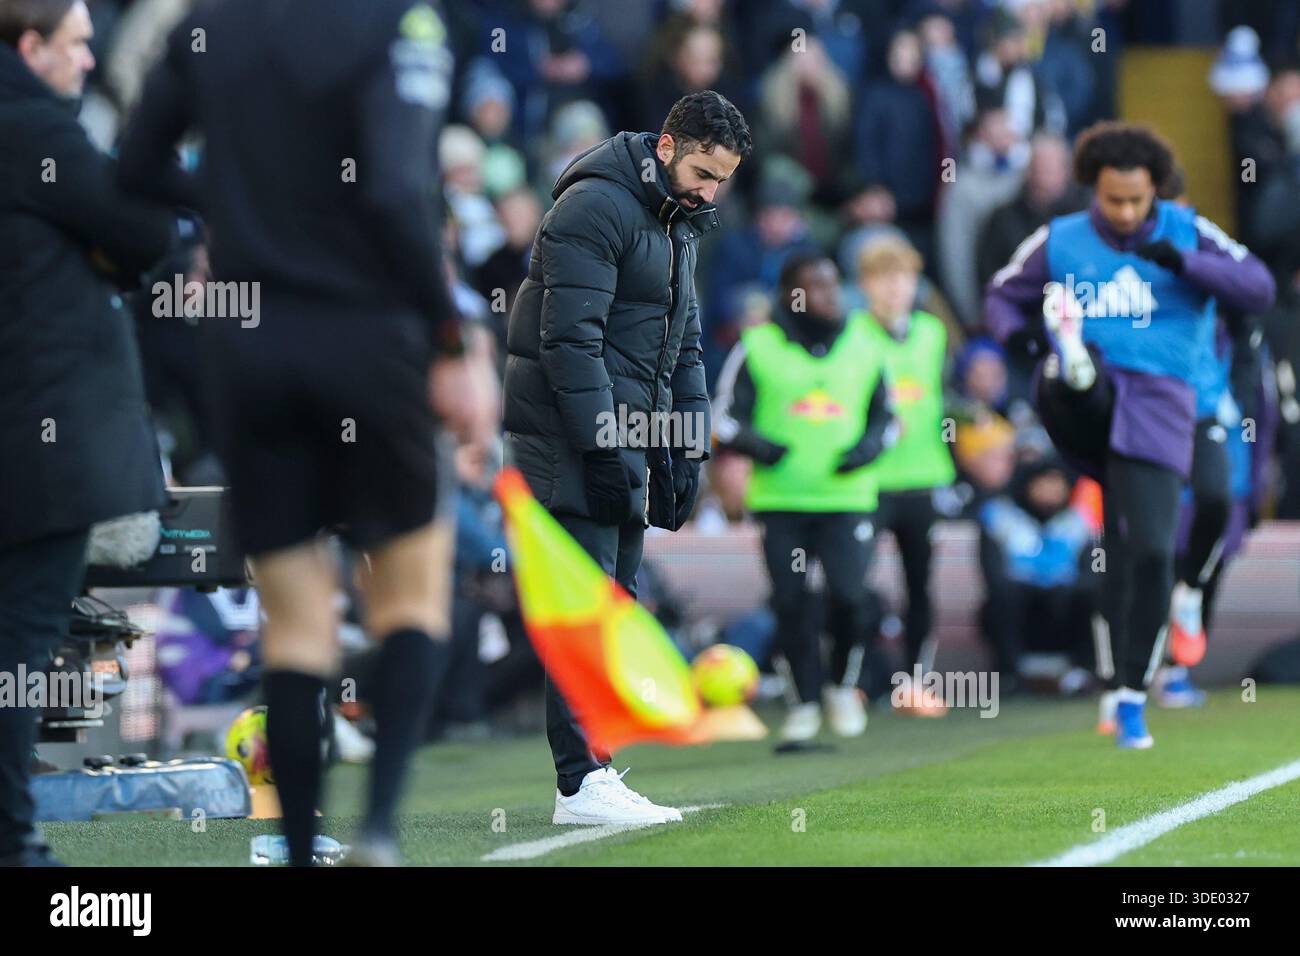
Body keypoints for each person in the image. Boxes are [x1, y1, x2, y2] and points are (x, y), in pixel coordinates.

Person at [118, 0, 496, 865]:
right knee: (409, 595)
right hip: (368, 341)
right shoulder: (400, 23)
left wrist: (226, 207)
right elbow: (398, 192)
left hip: (247, 348)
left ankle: (297, 852)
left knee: (295, 626)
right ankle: (375, 832)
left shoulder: (206, 27)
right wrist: (450, 336)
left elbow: (135, 165)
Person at [984, 121, 1276, 749]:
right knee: (1135, 536)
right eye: (1111, 198)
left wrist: (1186, 262)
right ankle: (1071, 356)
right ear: (1093, 188)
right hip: (1112, 405)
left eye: (1135, 200)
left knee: (1204, 510)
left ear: (1156, 192)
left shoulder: (1187, 228)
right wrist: (1024, 339)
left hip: (1187, 399)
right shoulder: (1060, 239)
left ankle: (1188, 595)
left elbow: (1259, 287)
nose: (1122, 211)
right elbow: (1002, 297)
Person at [502, 89, 749, 824]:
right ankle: (580, 782)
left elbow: (685, 348)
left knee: (615, 604)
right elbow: (568, 344)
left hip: (626, 433)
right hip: (568, 435)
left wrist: (685, 448)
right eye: (704, 172)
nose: (712, 192)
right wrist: (608, 446)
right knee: (589, 607)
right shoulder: (595, 208)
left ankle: (593, 771)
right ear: (667, 148)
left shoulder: (677, 221)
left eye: (724, 181)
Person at [0, 0, 176, 867]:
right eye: (72, 42)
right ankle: (12, 842)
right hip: (42, 446)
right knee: (22, 646)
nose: (84, 58)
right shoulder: (36, 128)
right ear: (29, 47)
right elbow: (145, 229)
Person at [714, 252, 894, 740]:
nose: (827, 295)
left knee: (852, 598)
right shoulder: (759, 345)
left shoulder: (864, 343)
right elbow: (724, 417)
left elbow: (888, 417)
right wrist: (760, 448)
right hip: (782, 503)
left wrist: (868, 448)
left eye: (833, 285)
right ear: (790, 295)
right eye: (814, 286)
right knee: (791, 602)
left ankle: (842, 686)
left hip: (848, 500)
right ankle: (803, 702)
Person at [851, 237, 956, 713]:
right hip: (869, 480)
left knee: (920, 584)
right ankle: (854, 678)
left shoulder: (932, 333)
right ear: (866, 285)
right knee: (853, 584)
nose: (896, 289)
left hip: (922, 474)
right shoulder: (853, 334)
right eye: (884, 278)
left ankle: (915, 683)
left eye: (905, 278)